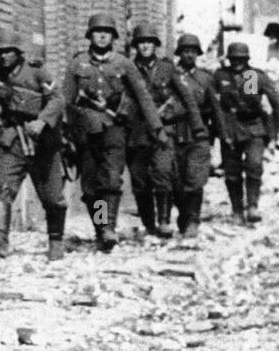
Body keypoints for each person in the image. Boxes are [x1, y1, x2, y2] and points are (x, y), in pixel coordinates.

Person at [62, 13, 163, 251]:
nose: (102, 35)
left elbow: (143, 97)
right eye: (98, 32)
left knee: (110, 179)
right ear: (90, 35)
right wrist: (63, 131)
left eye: (107, 32)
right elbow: (65, 99)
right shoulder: (78, 64)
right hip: (85, 131)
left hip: (114, 129)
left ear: (113, 37)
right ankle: (100, 228)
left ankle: (108, 228)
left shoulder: (123, 64)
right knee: (89, 187)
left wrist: (156, 128)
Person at [0, 30, 67, 261]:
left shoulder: (37, 71)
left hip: (42, 141)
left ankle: (57, 240)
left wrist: (42, 121)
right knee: (2, 186)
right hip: (11, 136)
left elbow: (57, 99)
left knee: (53, 196)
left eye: (8, 51)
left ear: (18, 52)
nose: (4, 56)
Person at [126, 24, 205, 238]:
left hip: (165, 133)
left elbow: (187, 100)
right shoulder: (128, 68)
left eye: (149, 43)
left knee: (163, 174)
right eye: (141, 43)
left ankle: (164, 221)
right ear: (135, 46)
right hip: (138, 133)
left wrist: (199, 128)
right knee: (140, 183)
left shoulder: (167, 69)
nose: (145, 47)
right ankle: (148, 223)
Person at [212, 41, 279, 223]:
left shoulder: (254, 76)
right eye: (233, 59)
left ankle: (253, 206)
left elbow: (277, 100)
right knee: (232, 172)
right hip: (230, 128)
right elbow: (210, 100)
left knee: (254, 165)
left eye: (241, 59)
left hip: (254, 126)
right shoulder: (221, 76)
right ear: (228, 60)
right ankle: (237, 210)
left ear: (247, 59)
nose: (237, 63)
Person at [172, 34, 226, 238]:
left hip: (199, 133)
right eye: (185, 51)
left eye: (193, 52)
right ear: (179, 53)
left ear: (197, 54)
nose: (189, 55)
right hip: (174, 132)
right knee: (176, 181)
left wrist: (223, 136)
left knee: (196, 179)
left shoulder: (205, 78)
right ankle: (184, 215)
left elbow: (215, 109)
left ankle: (193, 219)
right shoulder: (171, 75)